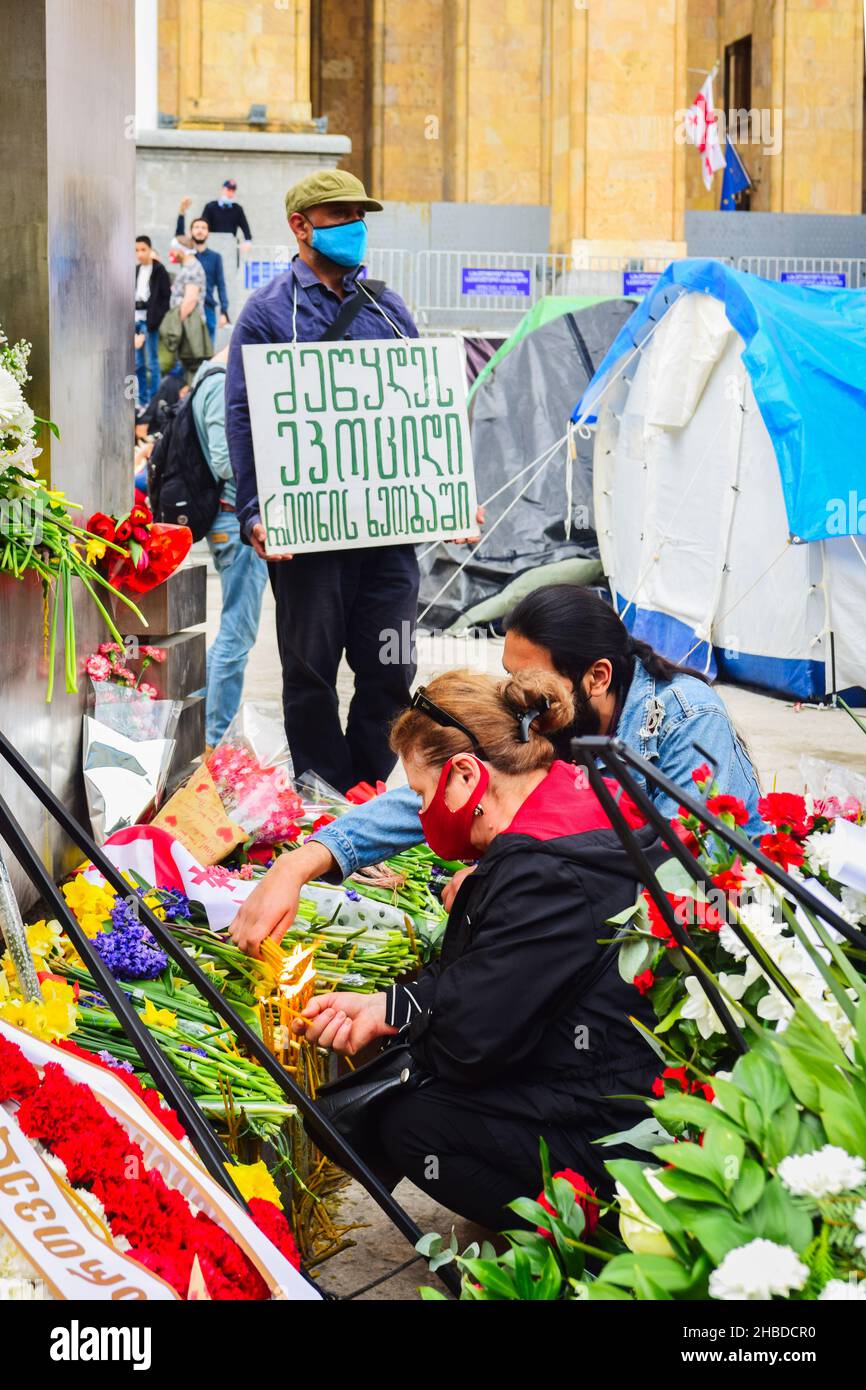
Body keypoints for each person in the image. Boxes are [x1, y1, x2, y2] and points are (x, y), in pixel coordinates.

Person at [293, 668, 663, 1228]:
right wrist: (389, 1008)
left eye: (420, 794)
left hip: (617, 1125)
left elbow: (472, 1043)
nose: (420, 815)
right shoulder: (580, 796)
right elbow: (493, 979)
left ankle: (584, 1236)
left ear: (465, 774)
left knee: (408, 1118)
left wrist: (408, 1033)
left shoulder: (540, 873)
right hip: (627, 1076)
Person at [229, 583, 763, 957]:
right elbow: (442, 787)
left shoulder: (688, 720)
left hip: (700, 938)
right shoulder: (548, 704)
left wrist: (499, 886)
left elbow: (679, 878)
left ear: (597, 676)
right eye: (510, 675)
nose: (515, 695)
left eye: (525, 677)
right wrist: (301, 863)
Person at [225, 168, 421, 793]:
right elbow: (242, 415)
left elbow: (421, 409)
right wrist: (255, 512)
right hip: (305, 535)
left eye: (360, 216)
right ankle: (324, 802)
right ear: (301, 227)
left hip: (386, 533)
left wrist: (446, 497)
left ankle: (363, 788)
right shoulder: (267, 314)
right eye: (340, 216)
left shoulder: (388, 311)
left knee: (393, 666)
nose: (355, 228)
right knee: (309, 673)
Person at [191, 346, 268, 747]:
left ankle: (206, 731)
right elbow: (225, 462)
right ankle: (211, 739)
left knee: (235, 633)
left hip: (227, 519)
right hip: (232, 522)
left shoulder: (210, 379)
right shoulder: (221, 385)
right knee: (237, 635)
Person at [175, 198, 230, 342]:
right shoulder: (186, 253)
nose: (200, 230)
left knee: (206, 353)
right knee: (186, 353)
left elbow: (221, 285)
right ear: (191, 231)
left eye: (203, 228)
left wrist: (224, 312)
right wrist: (182, 212)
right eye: (196, 227)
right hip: (187, 307)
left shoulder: (215, 257)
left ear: (208, 233)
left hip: (208, 308)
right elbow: (179, 236)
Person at [163, 240, 211, 382]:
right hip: (186, 323)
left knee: (191, 364)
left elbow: (190, 300)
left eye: (174, 250)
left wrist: (176, 324)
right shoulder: (187, 267)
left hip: (189, 325)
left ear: (181, 250)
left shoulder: (192, 269)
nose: (172, 254)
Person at [134, 236, 170, 405]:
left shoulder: (159, 270)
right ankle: (142, 401)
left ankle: (155, 401)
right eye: (136, 250)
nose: (140, 254)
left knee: (152, 361)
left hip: (150, 321)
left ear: (150, 249)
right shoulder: (135, 270)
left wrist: (155, 318)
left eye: (143, 250)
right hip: (135, 320)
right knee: (138, 363)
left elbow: (165, 298)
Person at [201, 178, 252, 246]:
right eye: (228, 190)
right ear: (222, 190)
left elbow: (245, 226)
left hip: (230, 243)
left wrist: (248, 241)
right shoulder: (210, 207)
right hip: (212, 242)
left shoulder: (237, 209)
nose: (230, 193)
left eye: (233, 191)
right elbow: (203, 224)